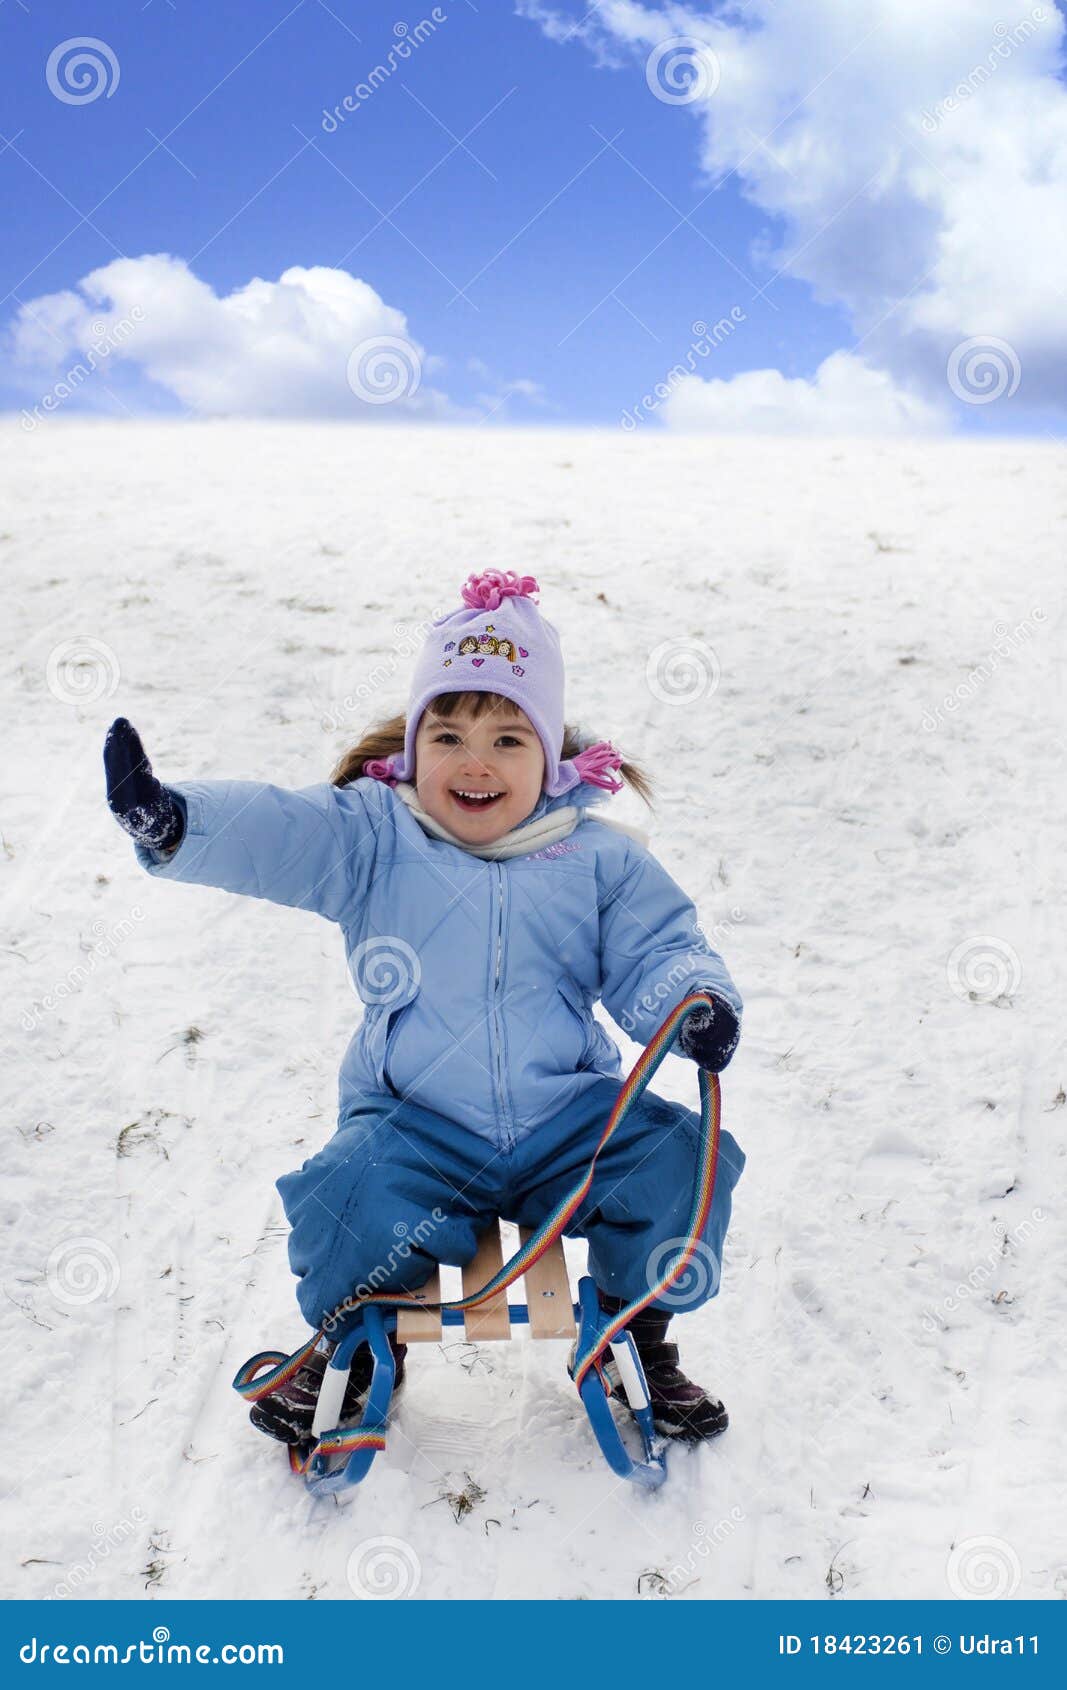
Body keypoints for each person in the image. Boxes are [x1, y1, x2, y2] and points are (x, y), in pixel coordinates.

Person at [103, 569, 746, 1450]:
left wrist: (691, 1000)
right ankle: (359, 1349)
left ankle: (635, 1329)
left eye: (508, 740)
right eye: (447, 734)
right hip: (416, 1122)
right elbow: (278, 830)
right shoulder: (371, 835)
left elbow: (660, 946)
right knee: (343, 1198)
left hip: (566, 1115)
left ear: (552, 759)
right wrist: (175, 821)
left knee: (680, 1162)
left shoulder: (596, 860)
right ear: (413, 749)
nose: (474, 763)